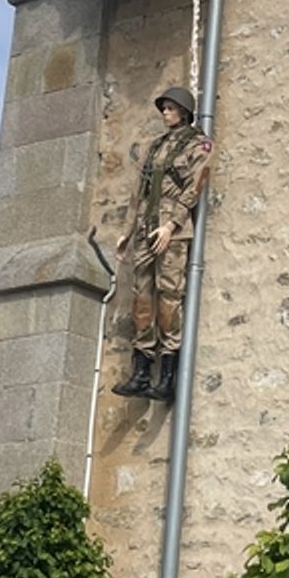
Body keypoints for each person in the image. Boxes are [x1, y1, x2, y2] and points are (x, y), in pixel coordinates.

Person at [112, 86, 213, 402]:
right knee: (142, 298)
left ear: (184, 111)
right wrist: (127, 231)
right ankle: (141, 371)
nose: (165, 112)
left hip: (171, 230)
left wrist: (172, 225)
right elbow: (137, 193)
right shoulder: (155, 148)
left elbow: (196, 185)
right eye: (164, 108)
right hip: (146, 229)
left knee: (169, 298)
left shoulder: (198, 145)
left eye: (171, 108)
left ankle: (167, 375)